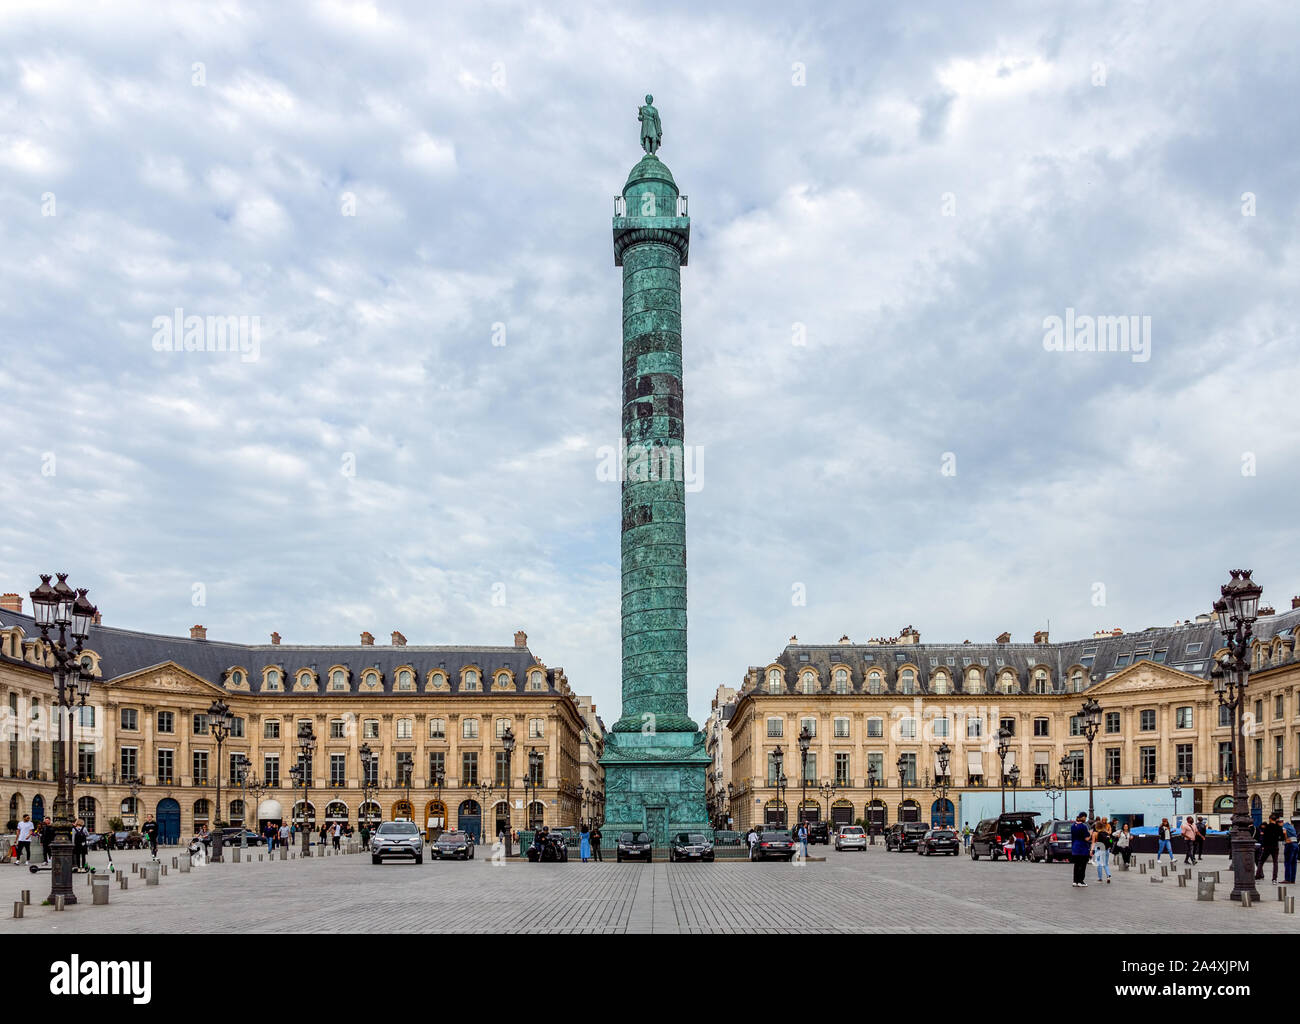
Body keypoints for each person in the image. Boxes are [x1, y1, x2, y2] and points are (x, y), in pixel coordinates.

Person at [1259, 812, 1286, 883]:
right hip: (1275, 846)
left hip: (1267, 847)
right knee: (1275, 862)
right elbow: (1282, 838)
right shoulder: (1278, 827)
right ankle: (1274, 879)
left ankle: (1258, 874)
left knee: (1261, 861)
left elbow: (1264, 838)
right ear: (1276, 820)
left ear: (1270, 819)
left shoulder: (1267, 827)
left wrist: (1263, 846)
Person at [1070, 811, 1091, 888]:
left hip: (1075, 847)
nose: (1085, 818)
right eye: (1085, 817)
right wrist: (1091, 834)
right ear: (1083, 817)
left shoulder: (1073, 826)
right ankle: (1080, 881)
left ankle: (1075, 881)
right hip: (1083, 848)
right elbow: (1086, 838)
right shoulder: (1083, 826)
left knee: (1076, 865)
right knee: (1082, 865)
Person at [1092, 818, 1112, 883]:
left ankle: (1100, 877)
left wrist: (1092, 850)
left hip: (1099, 849)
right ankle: (1108, 875)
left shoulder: (1095, 833)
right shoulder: (1106, 833)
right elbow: (1111, 841)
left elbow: (1093, 842)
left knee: (1099, 863)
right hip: (1107, 849)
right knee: (1105, 864)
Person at [1283, 817, 1298, 885]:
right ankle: (1292, 880)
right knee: (1294, 863)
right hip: (1295, 844)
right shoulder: (1292, 827)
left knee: (1287, 862)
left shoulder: (1284, 826)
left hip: (1289, 844)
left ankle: (1287, 879)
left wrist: (1285, 839)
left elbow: (1284, 832)